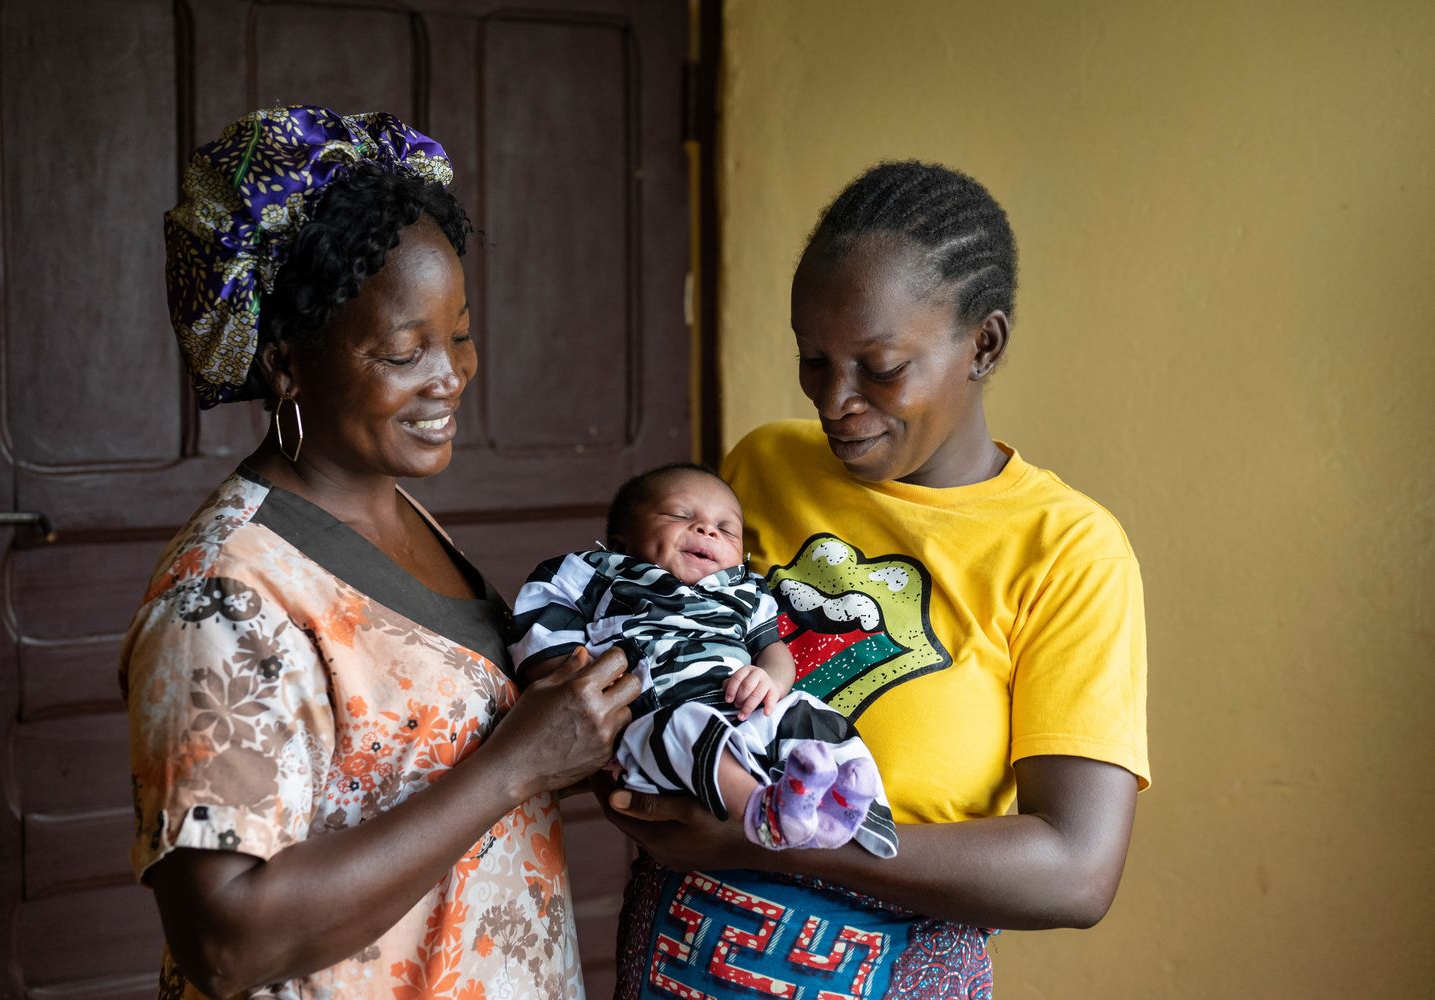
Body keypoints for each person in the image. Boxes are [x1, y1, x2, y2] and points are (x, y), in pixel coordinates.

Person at [123, 105, 639, 1000]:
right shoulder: (224, 595)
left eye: (462, 332)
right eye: (405, 351)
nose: (451, 376)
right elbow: (225, 943)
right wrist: (515, 764)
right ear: (286, 363)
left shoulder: (395, 511)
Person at [604, 161, 1150, 998]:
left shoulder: (1067, 550)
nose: (835, 401)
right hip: (680, 950)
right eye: (812, 361)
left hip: (885, 969)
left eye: (881, 366)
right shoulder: (762, 464)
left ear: (985, 344)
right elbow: (672, 635)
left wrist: (766, 835)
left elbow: (1075, 870)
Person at [509, 464, 897, 857]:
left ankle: (848, 815)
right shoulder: (599, 573)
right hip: (655, 721)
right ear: (621, 542)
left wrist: (770, 681)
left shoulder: (745, 590)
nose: (708, 530)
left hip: (741, 709)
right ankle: (763, 812)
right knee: (687, 725)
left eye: (726, 529)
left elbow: (773, 650)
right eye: (681, 515)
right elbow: (544, 631)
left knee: (809, 710)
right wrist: (588, 712)